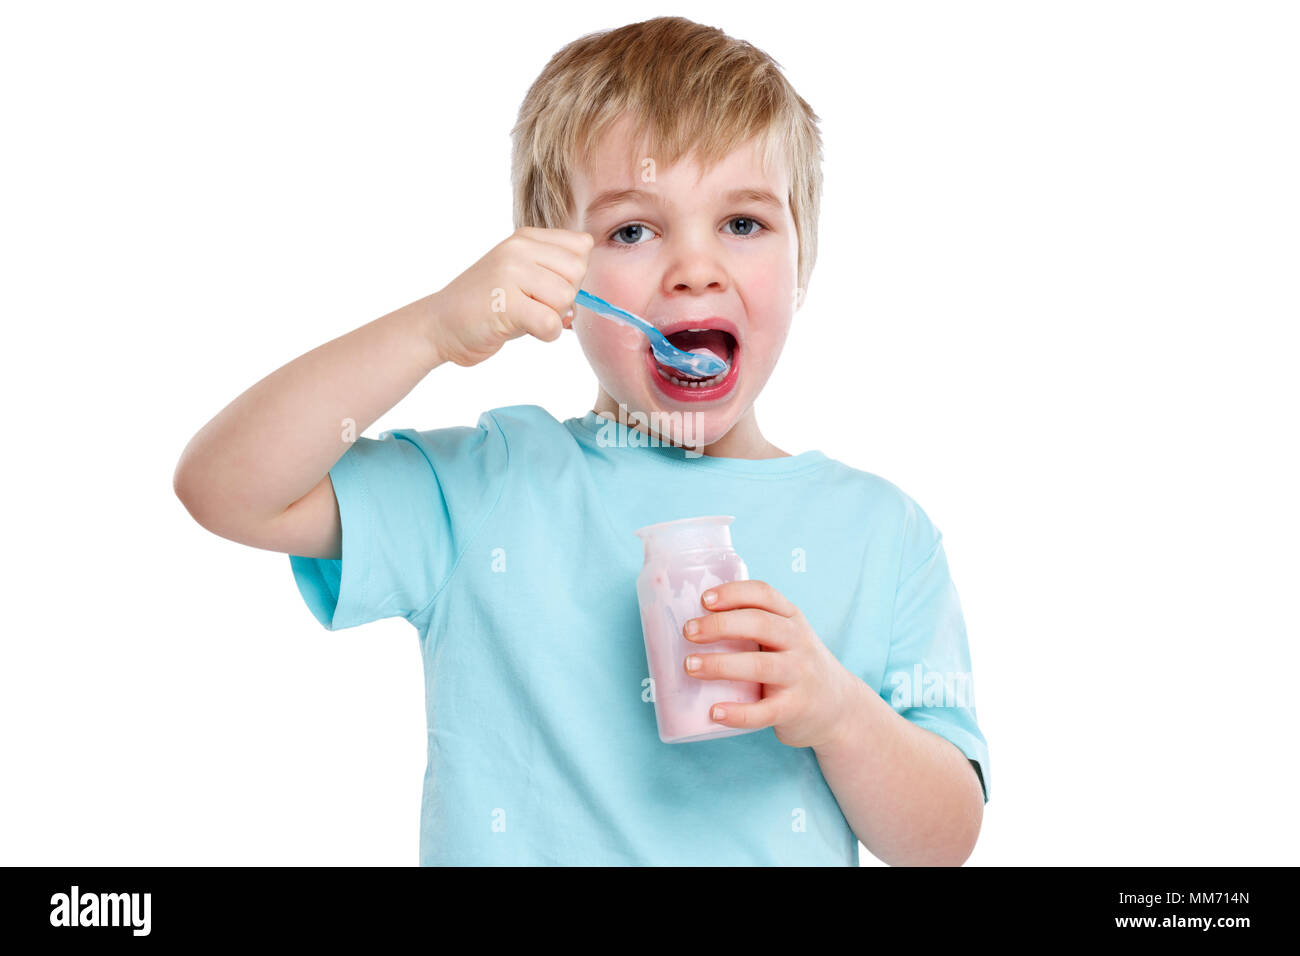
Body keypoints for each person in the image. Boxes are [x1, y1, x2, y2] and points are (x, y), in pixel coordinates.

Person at [174, 15, 990, 866]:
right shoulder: (489, 487)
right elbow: (226, 487)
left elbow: (943, 841)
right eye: (632, 231)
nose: (695, 268)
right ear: (554, 275)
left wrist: (837, 711)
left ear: (803, 259)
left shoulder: (884, 533)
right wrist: (432, 331)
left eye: (743, 224)